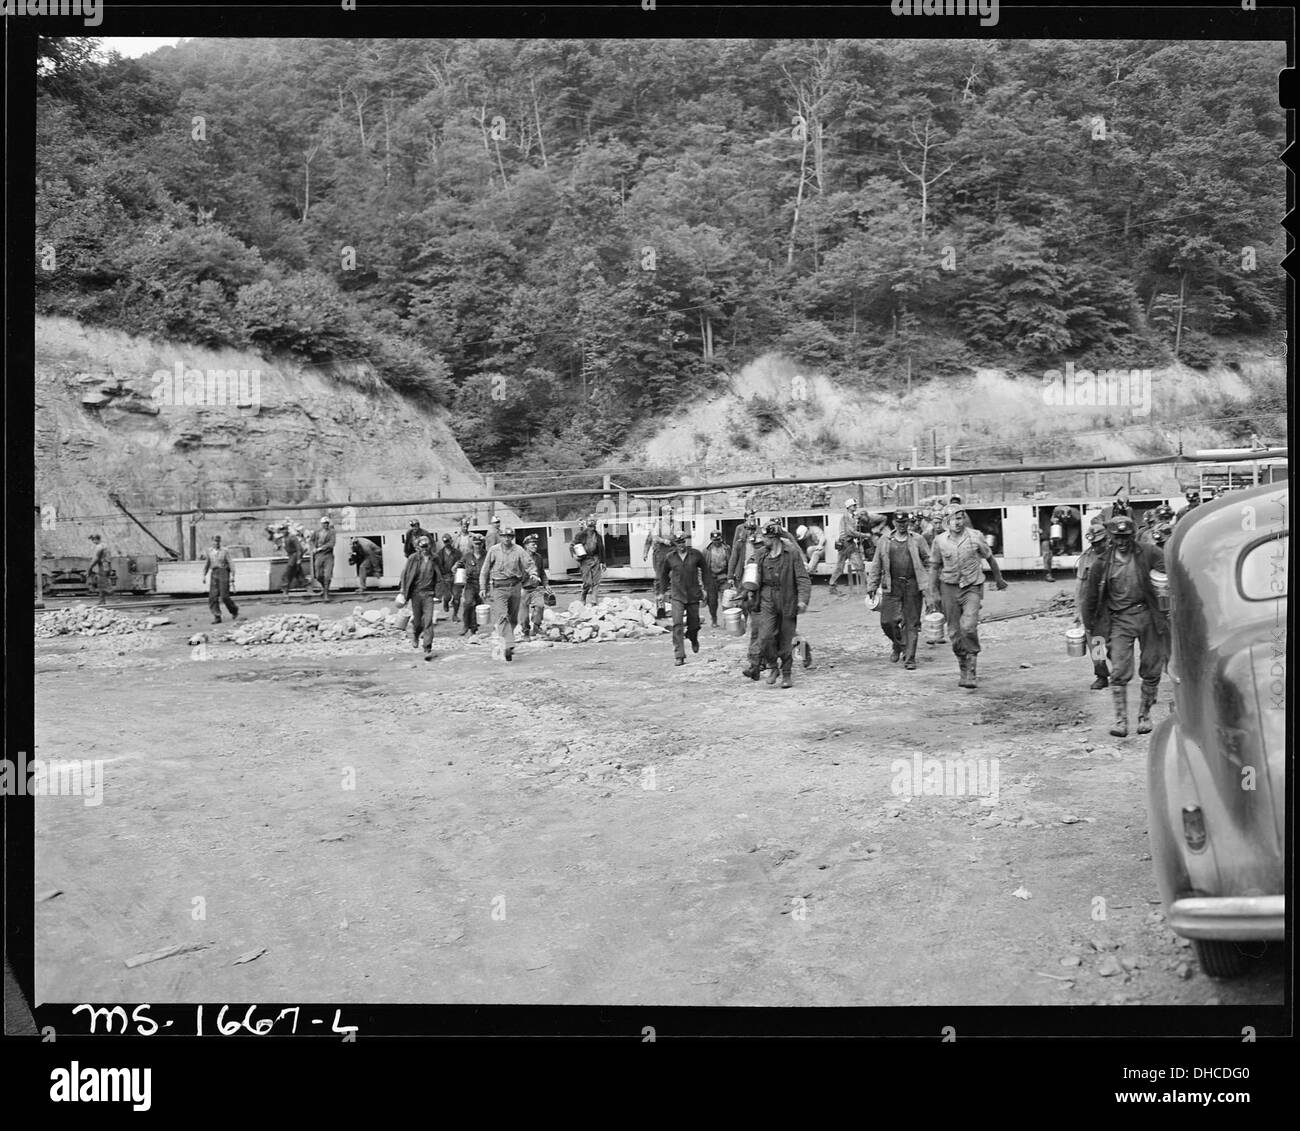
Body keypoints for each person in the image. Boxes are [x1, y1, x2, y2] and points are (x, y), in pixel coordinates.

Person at [1078, 514, 1168, 738]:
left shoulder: (1148, 552)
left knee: (1151, 667)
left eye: (1126, 536)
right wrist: (1090, 626)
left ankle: (1144, 715)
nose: (1122, 542)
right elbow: (1090, 598)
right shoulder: (1101, 564)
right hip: (1119, 620)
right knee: (1118, 670)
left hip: (1148, 615)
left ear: (1133, 534)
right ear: (1111, 537)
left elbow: (1168, 570)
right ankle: (1121, 720)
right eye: (1117, 537)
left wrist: (1164, 587)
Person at [927, 508, 1008, 689]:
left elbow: (990, 558)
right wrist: (932, 592)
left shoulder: (975, 536)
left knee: (968, 627)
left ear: (964, 519)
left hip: (972, 587)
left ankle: (972, 670)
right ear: (947, 521)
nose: (957, 522)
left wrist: (999, 579)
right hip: (948, 587)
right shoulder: (939, 541)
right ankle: (963, 668)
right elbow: (933, 567)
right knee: (954, 633)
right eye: (953, 519)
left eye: (960, 518)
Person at [745, 520, 811, 688]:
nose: (762, 540)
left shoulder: (791, 552)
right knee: (765, 636)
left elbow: (802, 578)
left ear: (773, 538)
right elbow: (751, 574)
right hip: (767, 598)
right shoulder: (761, 554)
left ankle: (787, 673)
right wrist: (745, 591)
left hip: (787, 597)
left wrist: (803, 600)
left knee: (786, 638)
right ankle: (773, 666)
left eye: (764, 537)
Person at [867, 509, 934, 671]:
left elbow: (929, 561)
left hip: (912, 586)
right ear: (894, 523)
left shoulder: (917, 540)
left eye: (905, 523)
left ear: (908, 523)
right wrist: (872, 585)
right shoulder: (884, 540)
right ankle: (900, 645)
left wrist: (926, 580)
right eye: (898, 523)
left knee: (911, 623)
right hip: (891, 585)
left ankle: (910, 658)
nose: (902, 526)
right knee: (887, 622)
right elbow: (876, 564)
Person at [479, 526, 539, 661]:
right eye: (505, 536)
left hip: (515, 586)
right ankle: (508, 644)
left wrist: (533, 573)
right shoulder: (493, 551)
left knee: (512, 619)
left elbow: (529, 563)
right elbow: (485, 570)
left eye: (510, 536)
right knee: (502, 616)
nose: (507, 539)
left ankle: (506, 641)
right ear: (500, 537)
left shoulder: (518, 550)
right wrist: (483, 587)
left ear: (513, 537)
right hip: (499, 587)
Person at [657, 530, 707, 665]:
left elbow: (706, 572)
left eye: (683, 542)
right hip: (677, 595)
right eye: (678, 542)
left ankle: (693, 637)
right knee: (677, 624)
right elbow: (663, 575)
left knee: (694, 624)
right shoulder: (670, 557)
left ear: (686, 542)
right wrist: (661, 592)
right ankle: (679, 655)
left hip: (693, 595)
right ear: (674, 544)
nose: (681, 545)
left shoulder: (696, 555)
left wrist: (705, 589)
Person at [1074, 523, 1111, 690]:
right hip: (1093, 607)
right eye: (1094, 543)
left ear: (1107, 539)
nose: (1096, 546)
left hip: (1113, 604)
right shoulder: (1086, 557)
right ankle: (1101, 674)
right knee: (1096, 644)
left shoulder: (1117, 554)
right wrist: (1078, 611)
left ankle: (1119, 672)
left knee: (1115, 643)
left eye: (1100, 542)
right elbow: (1080, 585)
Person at [398, 535, 442, 660]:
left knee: (428, 621)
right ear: (418, 547)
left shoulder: (435, 558)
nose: (425, 549)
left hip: (428, 594)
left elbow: (439, 577)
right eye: (422, 546)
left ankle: (427, 647)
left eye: (426, 546)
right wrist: (403, 591)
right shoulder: (413, 558)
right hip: (416, 594)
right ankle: (416, 636)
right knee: (418, 622)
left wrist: (438, 594)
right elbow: (405, 574)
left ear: (430, 546)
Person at [641, 505, 676, 619]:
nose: (671, 515)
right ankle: (660, 605)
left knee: (675, 578)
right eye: (668, 513)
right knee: (660, 579)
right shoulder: (657, 525)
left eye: (671, 512)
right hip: (660, 555)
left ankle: (673, 605)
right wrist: (645, 553)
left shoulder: (675, 524)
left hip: (672, 553)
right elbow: (650, 540)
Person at [829, 498, 869, 596]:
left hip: (851, 544)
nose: (855, 507)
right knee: (840, 568)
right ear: (849, 507)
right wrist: (864, 535)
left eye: (855, 505)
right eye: (854, 505)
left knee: (860, 565)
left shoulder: (853, 517)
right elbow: (850, 532)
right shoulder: (845, 517)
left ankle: (869, 587)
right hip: (844, 545)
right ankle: (832, 586)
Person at [202, 534, 240, 623]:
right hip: (214, 573)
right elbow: (207, 564)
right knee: (213, 596)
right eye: (214, 541)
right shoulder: (209, 551)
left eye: (218, 541)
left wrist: (232, 576)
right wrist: (204, 575)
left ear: (220, 542)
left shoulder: (225, 551)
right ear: (212, 542)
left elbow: (231, 563)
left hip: (224, 572)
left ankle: (234, 610)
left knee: (224, 596)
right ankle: (217, 616)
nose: (216, 543)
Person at [519, 533, 549, 640]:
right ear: (526, 545)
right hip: (523, 589)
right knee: (524, 614)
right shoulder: (520, 557)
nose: (535, 546)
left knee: (540, 606)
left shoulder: (538, 557)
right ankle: (525, 632)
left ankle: (536, 627)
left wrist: (546, 584)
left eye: (536, 544)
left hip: (535, 588)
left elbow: (542, 573)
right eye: (532, 544)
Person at [1042, 504, 1081, 583]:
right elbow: (1052, 518)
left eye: (1067, 517)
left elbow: (1079, 523)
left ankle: (1069, 551)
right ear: (1060, 513)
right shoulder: (1057, 510)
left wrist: (1067, 521)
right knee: (1059, 536)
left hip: (1073, 525)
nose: (1065, 518)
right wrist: (1054, 520)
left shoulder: (1076, 514)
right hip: (1061, 524)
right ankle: (1061, 549)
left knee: (1071, 542)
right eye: (1064, 516)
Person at [457, 533, 487, 636]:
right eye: (476, 544)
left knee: (477, 606)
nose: (478, 546)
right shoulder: (467, 556)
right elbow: (459, 565)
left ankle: (474, 629)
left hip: (482, 584)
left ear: (482, 544)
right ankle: (465, 625)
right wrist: (457, 568)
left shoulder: (487, 555)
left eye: (479, 544)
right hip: (470, 583)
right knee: (468, 603)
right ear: (472, 544)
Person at [701, 528, 730, 627]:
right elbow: (702, 567)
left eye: (718, 539)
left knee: (727, 601)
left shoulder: (727, 549)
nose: (716, 542)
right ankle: (714, 619)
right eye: (714, 540)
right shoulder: (706, 551)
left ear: (721, 538)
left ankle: (727, 620)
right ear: (711, 539)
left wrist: (731, 577)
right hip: (711, 578)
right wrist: (703, 583)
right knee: (712, 601)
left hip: (724, 577)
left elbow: (730, 562)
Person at [573, 515, 606, 604]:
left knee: (596, 581)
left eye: (593, 522)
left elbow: (601, 549)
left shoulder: (598, 536)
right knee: (587, 582)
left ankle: (594, 600)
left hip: (595, 558)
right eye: (590, 522)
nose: (591, 525)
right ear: (587, 524)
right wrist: (574, 555)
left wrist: (603, 562)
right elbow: (572, 546)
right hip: (585, 560)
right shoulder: (580, 535)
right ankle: (583, 596)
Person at [727, 510, 760, 589]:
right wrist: (730, 575)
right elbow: (734, 555)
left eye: (754, 517)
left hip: (754, 567)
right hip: (742, 566)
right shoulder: (740, 529)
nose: (754, 518)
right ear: (746, 518)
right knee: (741, 591)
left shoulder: (758, 529)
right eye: (751, 517)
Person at [310, 516, 336, 602]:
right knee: (318, 575)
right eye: (324, 523)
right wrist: (313, 548)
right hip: (318, 556)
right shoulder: (317, 532)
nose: (325, 525)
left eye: (327, 523)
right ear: (321, 524)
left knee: (327, 575)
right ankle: (325, 588)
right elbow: (312, 540)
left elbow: (332, 543)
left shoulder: (332, 532)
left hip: (328, 555)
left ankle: (326, 594)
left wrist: (321, 548)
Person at [280, 525, 309, 596]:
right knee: (298, 573)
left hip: (295, 556)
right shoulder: (284, 538)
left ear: (287, 530)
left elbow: (299, 549)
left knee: (287, 572)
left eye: (284, 529)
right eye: (282, 530)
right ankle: (308, 588)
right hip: (291, 556)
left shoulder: (292, 537)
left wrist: (299, 559)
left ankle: (285, 589)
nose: (283, 531)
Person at [434, 533, 459, 612]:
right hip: (445, 577)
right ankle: (446, 602)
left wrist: (457, 565)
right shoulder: (440, 554)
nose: (447, 543)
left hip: (455, 576)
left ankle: (455, 615)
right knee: (447, 596)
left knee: (456, 596)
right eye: (445, 542)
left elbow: (462, 561)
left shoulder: (457, 552)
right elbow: (437, 567)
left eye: (448, 541)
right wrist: (440, 578)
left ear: (451, 541)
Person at [86, 533, 111, 606]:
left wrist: (90, 567)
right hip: (107, 565)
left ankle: (109, 596)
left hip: (103, 566)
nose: (92, 542)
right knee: (102, 583)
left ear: (95, 539)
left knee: (101, 584)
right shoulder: (105, 545)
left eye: (92, 540)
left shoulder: (99, 547)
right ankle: (102, 600)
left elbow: (96, 558)